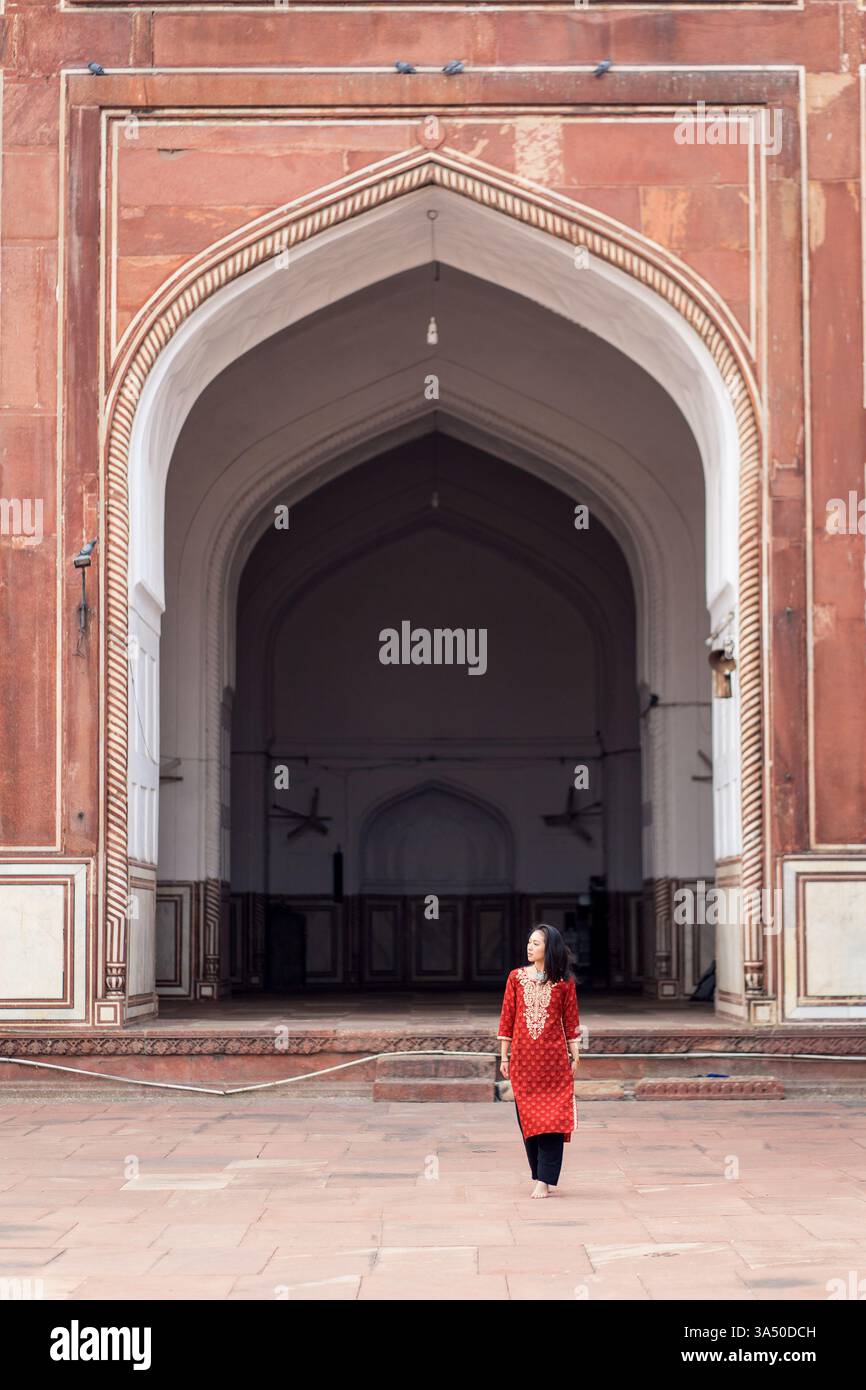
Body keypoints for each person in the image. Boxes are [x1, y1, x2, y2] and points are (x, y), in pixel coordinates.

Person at [498, 923, 580, 1199]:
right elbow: (507, 1018)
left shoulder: (564, 983)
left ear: (549, 947)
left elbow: (571, 1021)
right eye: (529, 942)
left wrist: (576, 1054)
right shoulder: (516, 978)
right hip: (523, 1061)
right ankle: (540, 1174)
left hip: (554, 1062)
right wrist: (504, 1055)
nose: (529, 947)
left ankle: (544, 1179)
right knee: (530, 1119)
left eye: (536, 943)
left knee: (553, 1121)